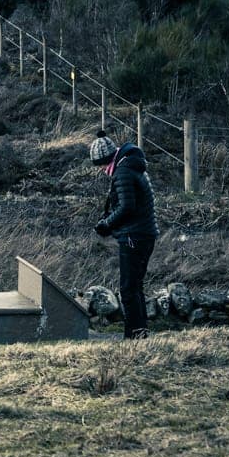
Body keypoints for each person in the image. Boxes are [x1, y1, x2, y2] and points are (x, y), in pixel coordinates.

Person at [90, 134, 160, 339]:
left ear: (107, 159)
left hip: (133, 236)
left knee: (128, 289)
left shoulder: (123, 172)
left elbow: (127, 207)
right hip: (144, 233)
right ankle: (140, 332)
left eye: (101, 165)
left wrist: (106, 224)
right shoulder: (133, 166)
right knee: (136, 286)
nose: (102, 170)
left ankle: (134, 336)